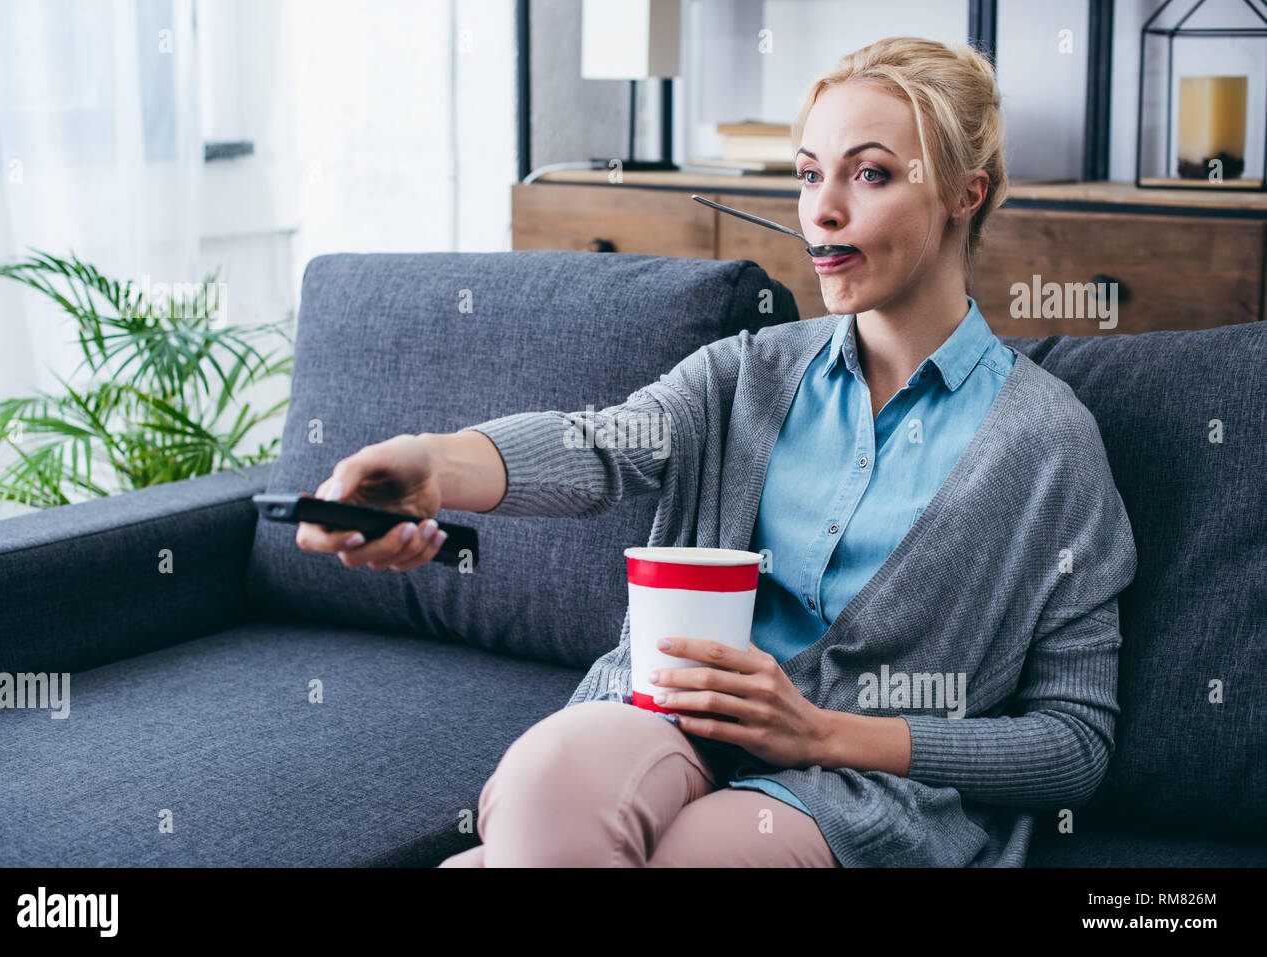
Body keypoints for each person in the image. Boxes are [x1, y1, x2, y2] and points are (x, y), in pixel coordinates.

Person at [296, 36, 1137, 868]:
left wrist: (818, 729)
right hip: (664, 723)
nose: (822, 210)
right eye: (810, 174)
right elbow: (595, 448)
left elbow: (1072, 743)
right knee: (548, 780)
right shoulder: (745, 374)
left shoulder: (1044, 443)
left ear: (965, 193)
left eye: (869, 173)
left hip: (853, 794)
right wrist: (431, 465)